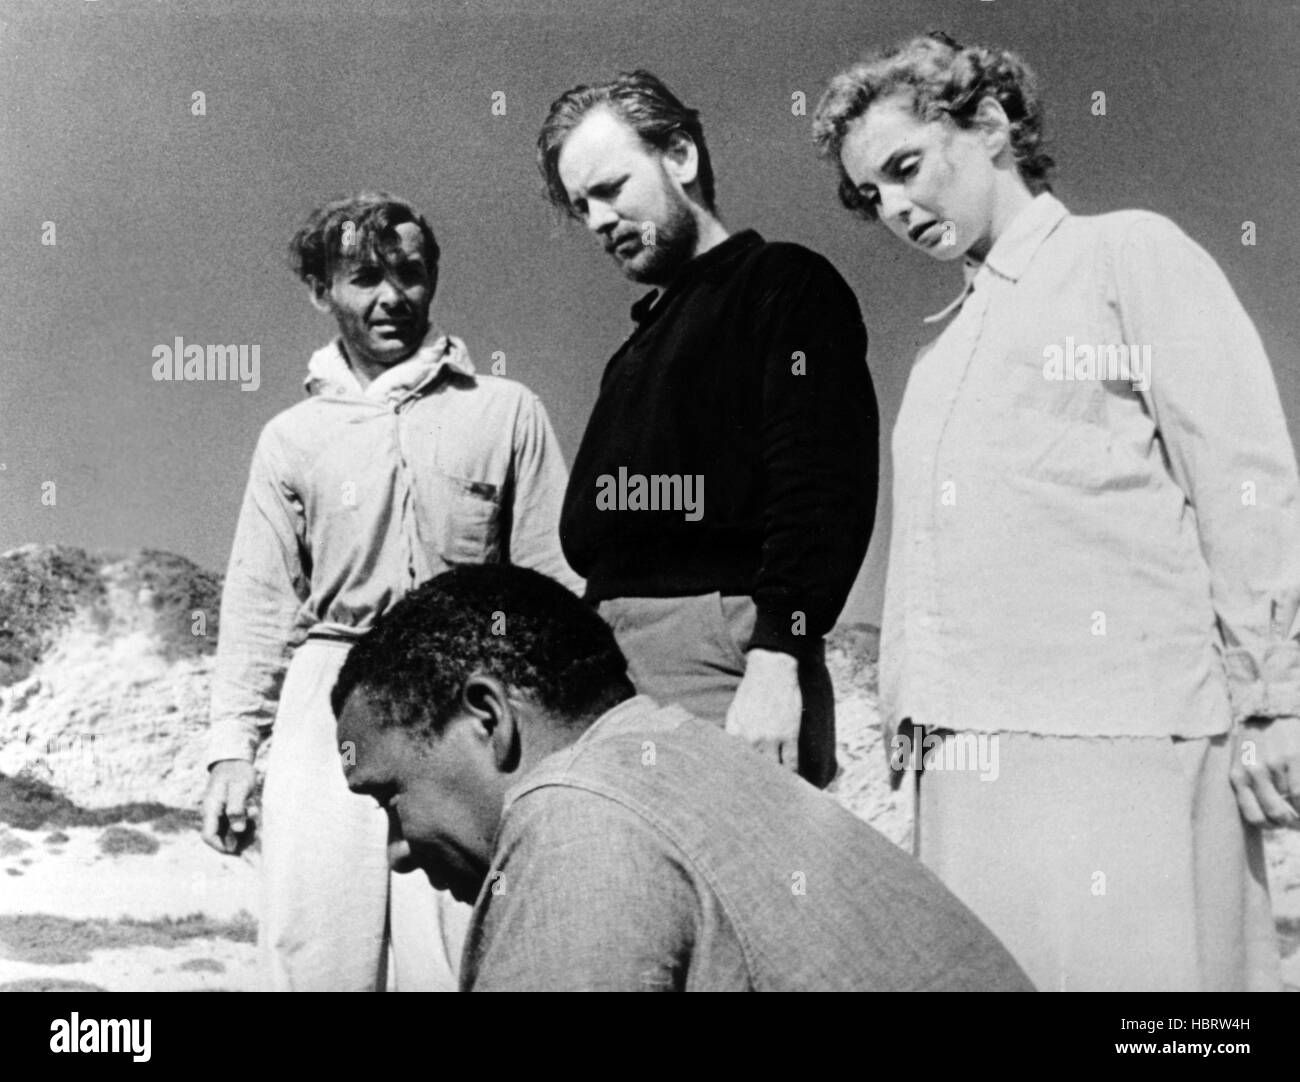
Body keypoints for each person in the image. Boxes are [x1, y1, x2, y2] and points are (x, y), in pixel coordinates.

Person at [812, 31, 1300, 991]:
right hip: (967, 767)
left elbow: (1244, 480)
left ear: (989, 124)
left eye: (906, 168)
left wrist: (1275, 699)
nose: (896, 208)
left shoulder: (1127, 254)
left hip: (1127, 739)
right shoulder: (935, 356)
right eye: (872, 197)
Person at [199, 192, 581, 992]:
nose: (391, 297)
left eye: (409, 273)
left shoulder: (507, 411)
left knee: (462, 942)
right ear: (321, 292)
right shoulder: (289, 440)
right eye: (364, 277)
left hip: (468, 698)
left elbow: (553, 579)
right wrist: (231, 753)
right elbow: (260, 602)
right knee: (315, 945)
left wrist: (565, 734)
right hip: (328, 694)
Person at [331, 563, 1034, 992]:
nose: (396, 848)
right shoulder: (680, 760)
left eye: (391, 797)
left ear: (488, 714)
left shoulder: (578, 809)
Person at [537, 71, 878, 788]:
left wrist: (777, 655)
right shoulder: (631, 350)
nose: (597, 221)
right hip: (607, 663)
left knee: (735, 892)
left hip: (720, 655)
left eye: (610, 189)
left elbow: (820, 482)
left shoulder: (782, 282)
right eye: (581, 207)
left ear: (681, 157)